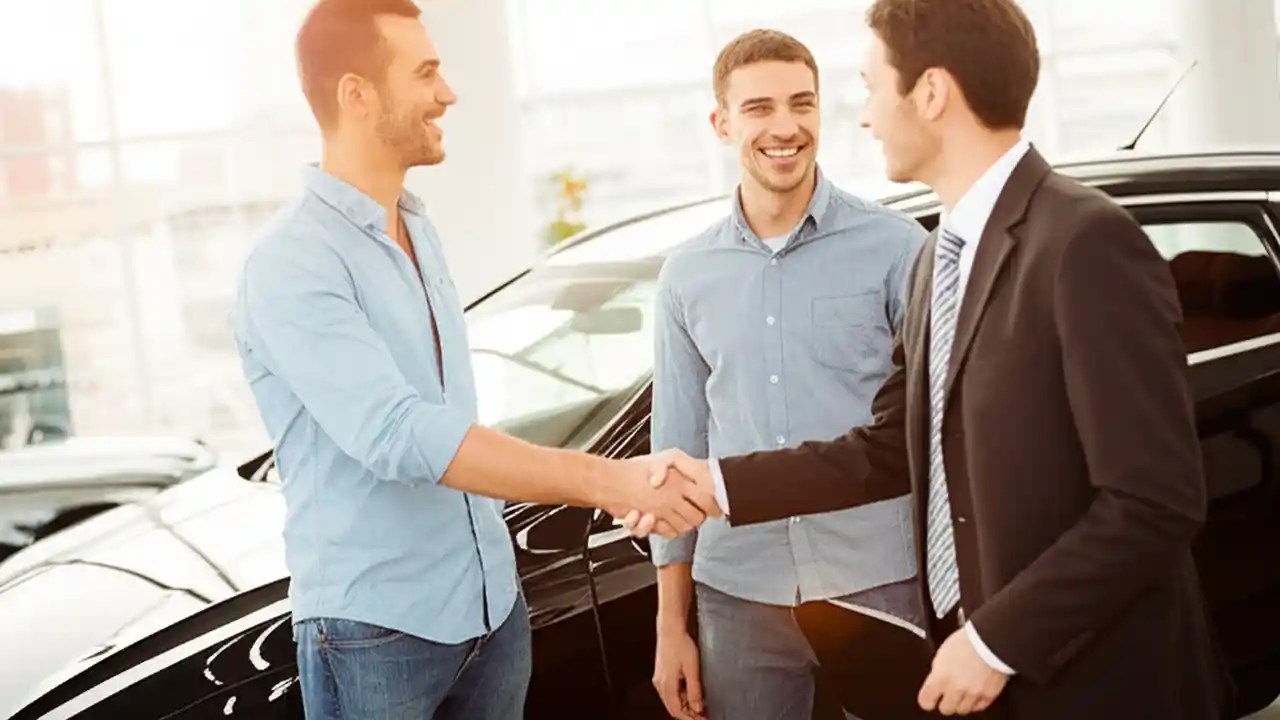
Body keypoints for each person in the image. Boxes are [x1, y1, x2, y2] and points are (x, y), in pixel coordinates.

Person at [631, 0, 1233, 717]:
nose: (864, 116)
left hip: (1098, 680)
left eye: (871, 86)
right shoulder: (940, 262)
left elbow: (1154, 501)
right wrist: (716, 485)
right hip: (991, 658)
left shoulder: (1083, 240)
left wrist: (995, 640)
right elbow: (890, 448)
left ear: (932, 93)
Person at [232, 1, 717, 718]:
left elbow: (450, 414)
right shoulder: (292, 262)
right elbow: (400, 434)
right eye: (426, 72)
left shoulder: (418, 229)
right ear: (356, 95)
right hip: (380, 635)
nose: (449, 93)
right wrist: (612, 480)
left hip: (490, 609)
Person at [646, 29, 927, 720]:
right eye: (759, 108)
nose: (785, 127)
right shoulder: (686, 277)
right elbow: (675, 450)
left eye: (802, 104)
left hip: (877, 580)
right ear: (722, 123)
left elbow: (937, 427)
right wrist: (669, 626)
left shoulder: (897, 249)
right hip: (739, 591)